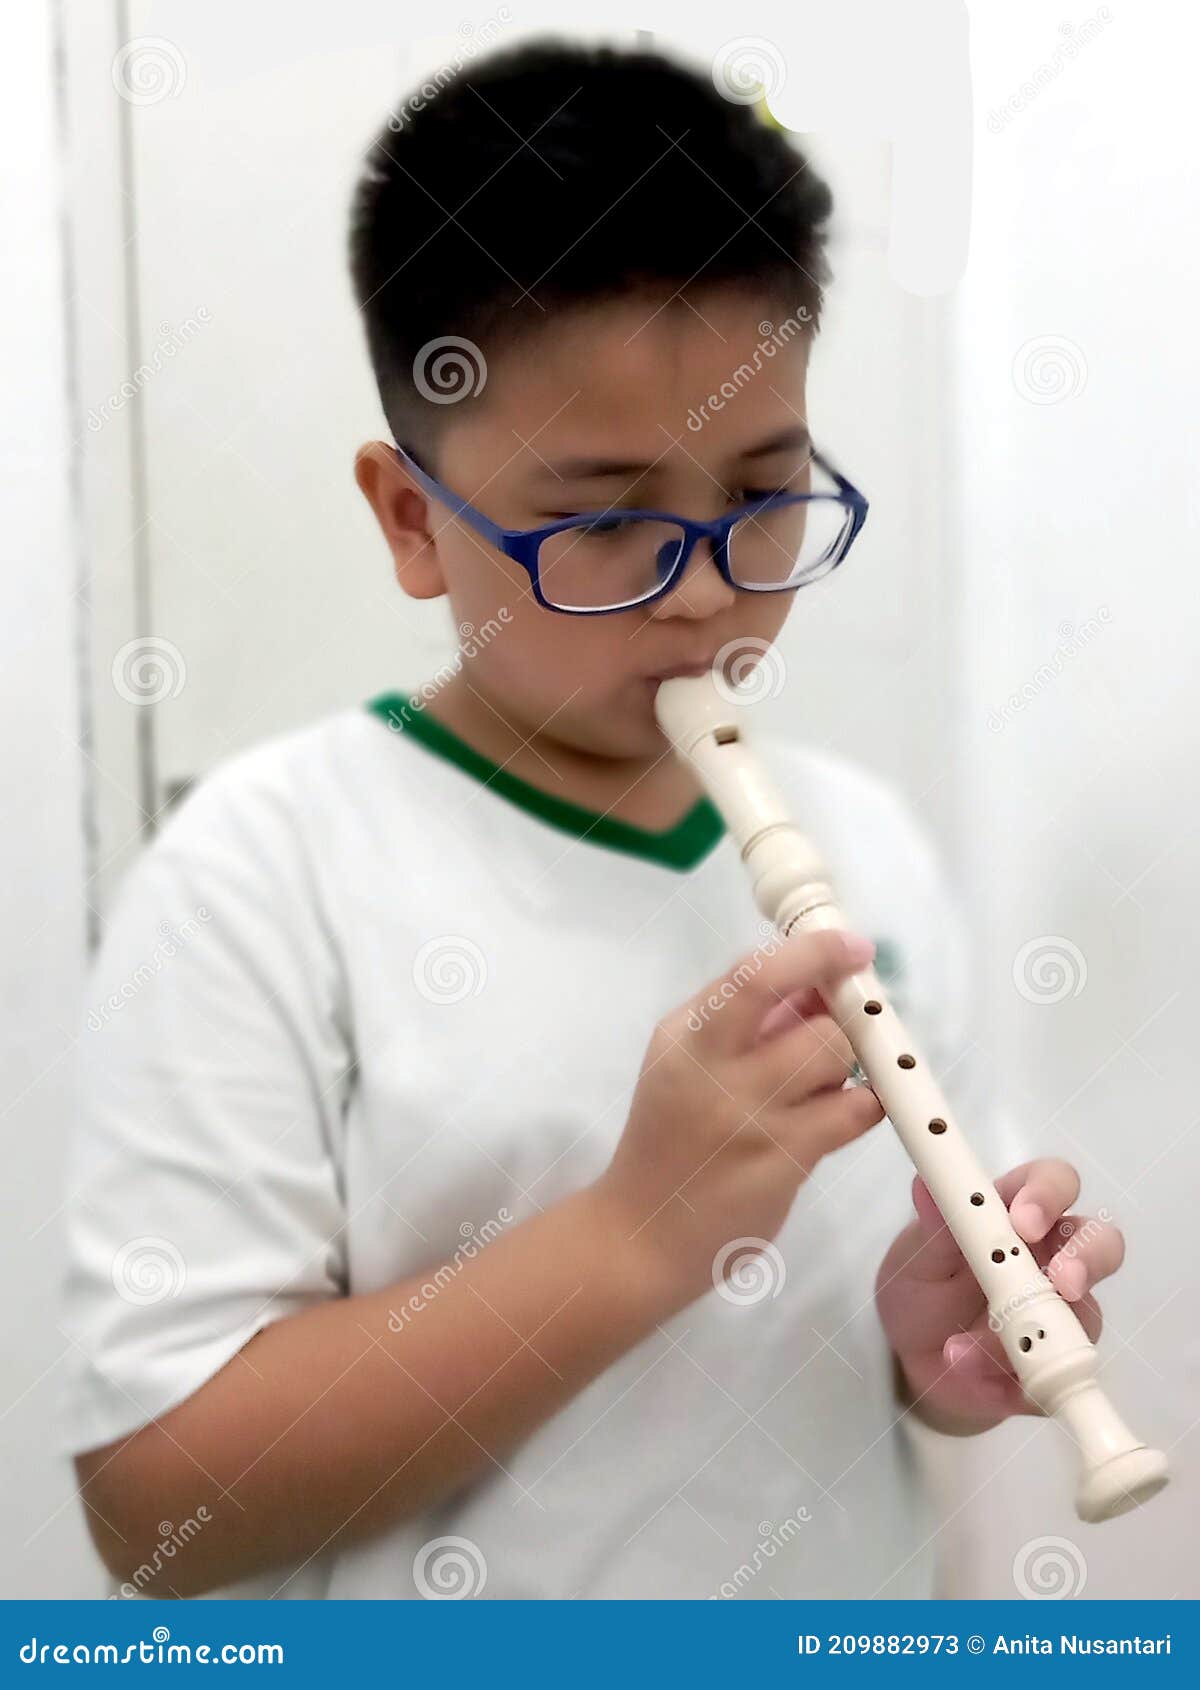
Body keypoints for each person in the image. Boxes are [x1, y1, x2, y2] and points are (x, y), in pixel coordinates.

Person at [60, 38, 1125, 1601]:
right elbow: (158, 1504)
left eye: (764, 493)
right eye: (608, 519)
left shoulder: (868, 839)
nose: (704, 590)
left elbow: (841, 1367)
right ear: (414, 519)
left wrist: (931, 1350)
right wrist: (640, 1230)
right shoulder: (261, 867)